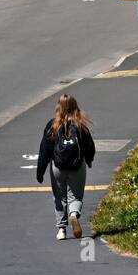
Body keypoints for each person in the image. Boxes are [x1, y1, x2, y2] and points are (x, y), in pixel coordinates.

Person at [36, 93, 96, 241]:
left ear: (59, 107)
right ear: (75, 107)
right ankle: (74, 214)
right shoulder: (80, 126)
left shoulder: (52, 126)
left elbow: (45, 150)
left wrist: (41, 171)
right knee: (75, 195)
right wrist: (88, 160)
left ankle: (61, 230)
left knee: (59, 196)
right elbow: (90, 147)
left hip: (57, 167)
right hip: (77, 166)